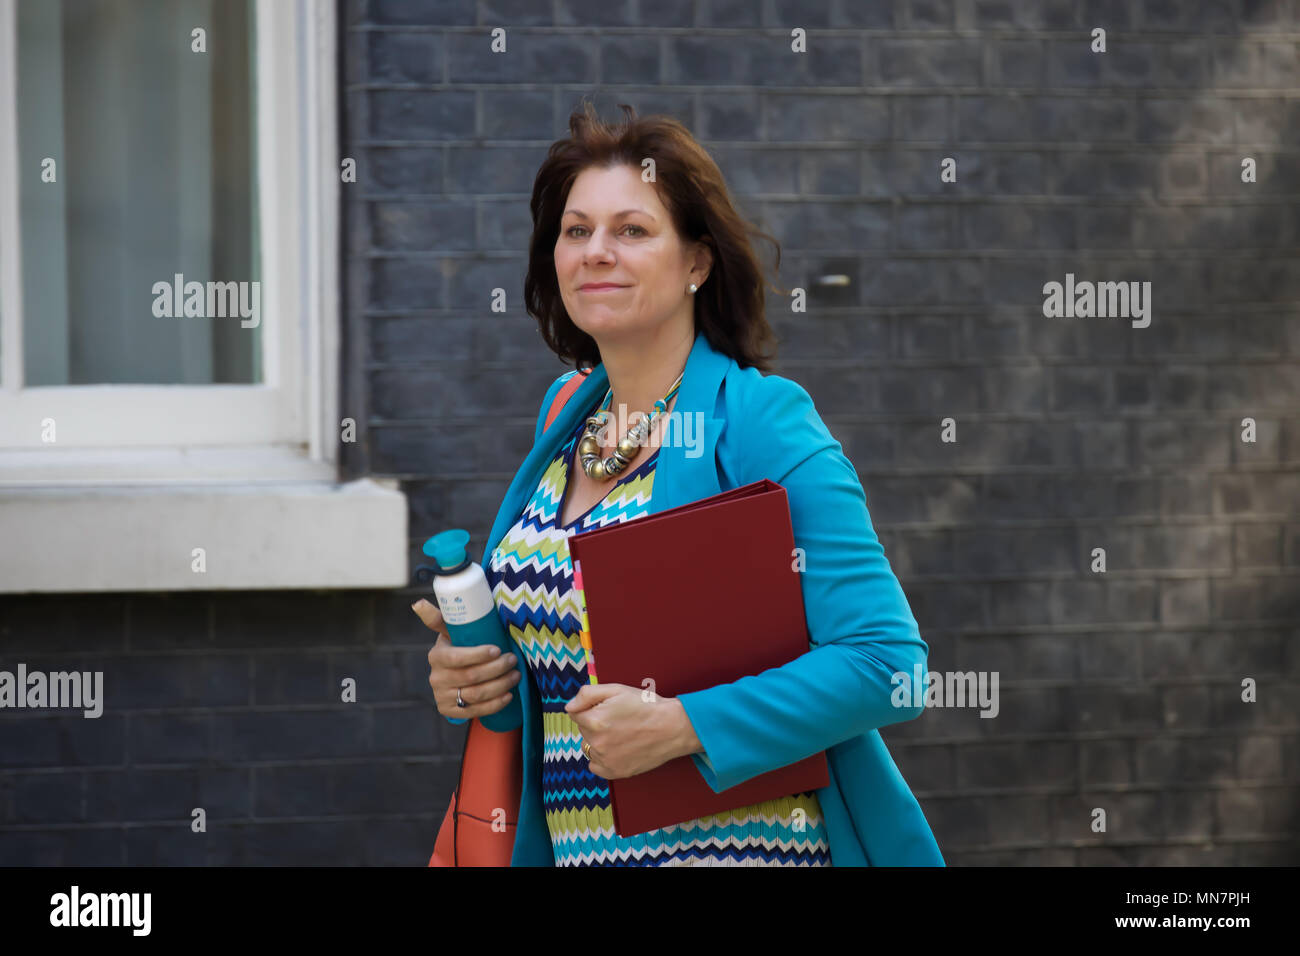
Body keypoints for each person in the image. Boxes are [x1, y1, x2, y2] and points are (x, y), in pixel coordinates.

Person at [416, 101, 944, 866]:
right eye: (576, 230)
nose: (597, 251)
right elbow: (567, 662)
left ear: (697, 262)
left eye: (632, 230)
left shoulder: (762, 420)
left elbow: (888, 664)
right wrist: (478, 675)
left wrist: (685, 724)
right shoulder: (566, 413)